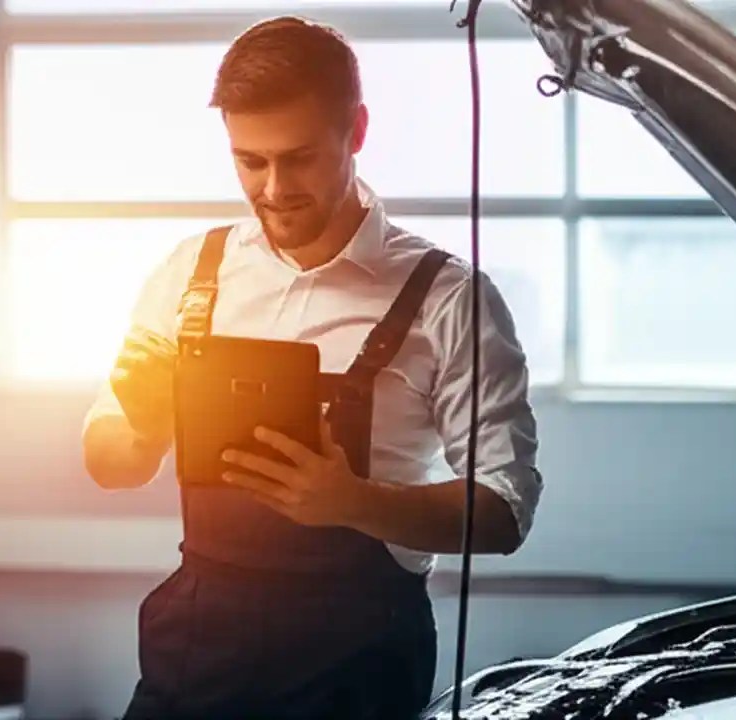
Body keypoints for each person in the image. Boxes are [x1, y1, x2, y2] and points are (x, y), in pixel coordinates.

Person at [81, 15, 543, 720]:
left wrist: (352, 502)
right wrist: (141, 419)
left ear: (356, 132)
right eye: (249, 161)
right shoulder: (188, 274)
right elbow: (113, 463)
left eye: (298, 158)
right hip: (196, 649)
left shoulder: (450, 298)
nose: (272, 188)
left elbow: (506, 510)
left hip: (356, 663)